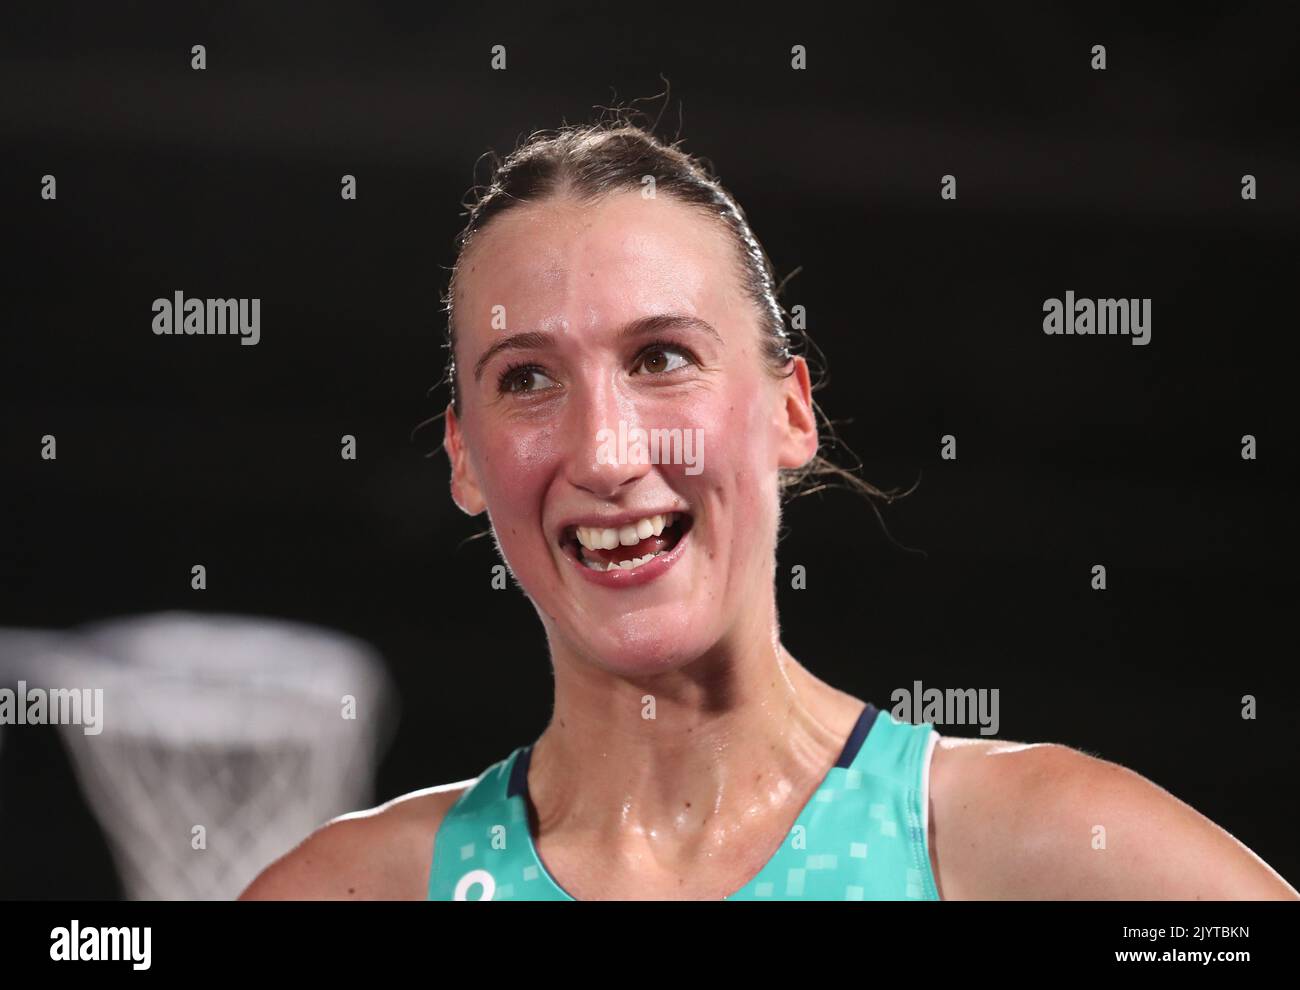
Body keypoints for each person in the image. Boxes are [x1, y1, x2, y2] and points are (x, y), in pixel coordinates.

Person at [241, 115, 1298, 901]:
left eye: (661, 358)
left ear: (790, 411)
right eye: (526, 378)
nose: (606, 454)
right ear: (465, 460)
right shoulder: (350, 892)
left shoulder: (1040, 849)